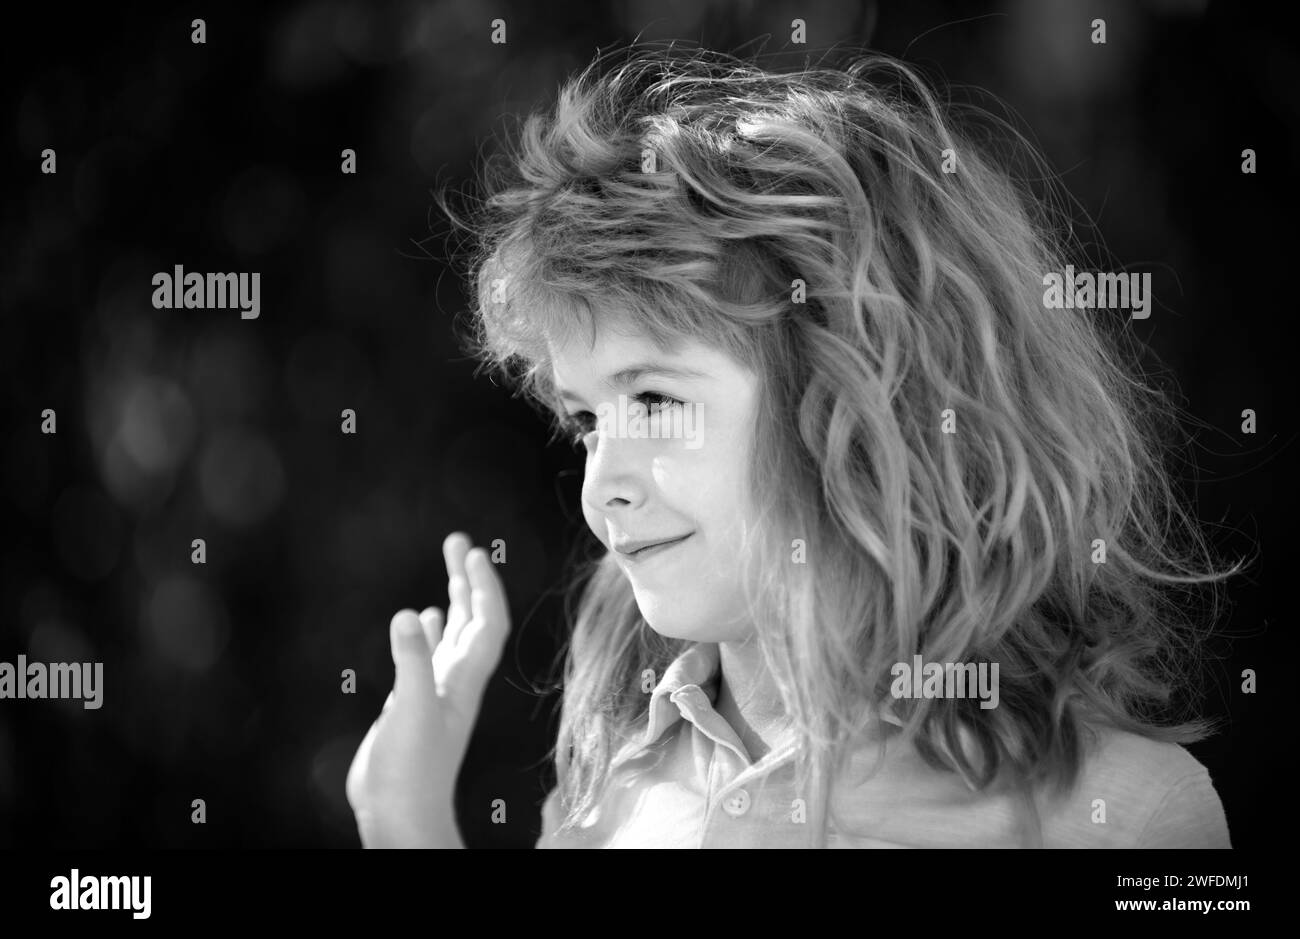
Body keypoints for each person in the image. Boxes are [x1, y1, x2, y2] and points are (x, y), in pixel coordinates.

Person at [347, 44, 1242, 848]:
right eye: (585, 421)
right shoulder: (611, 791)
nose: (599, 490)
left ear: (859, 398)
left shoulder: (1127, 818)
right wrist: (405, 821)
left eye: (654, 399)